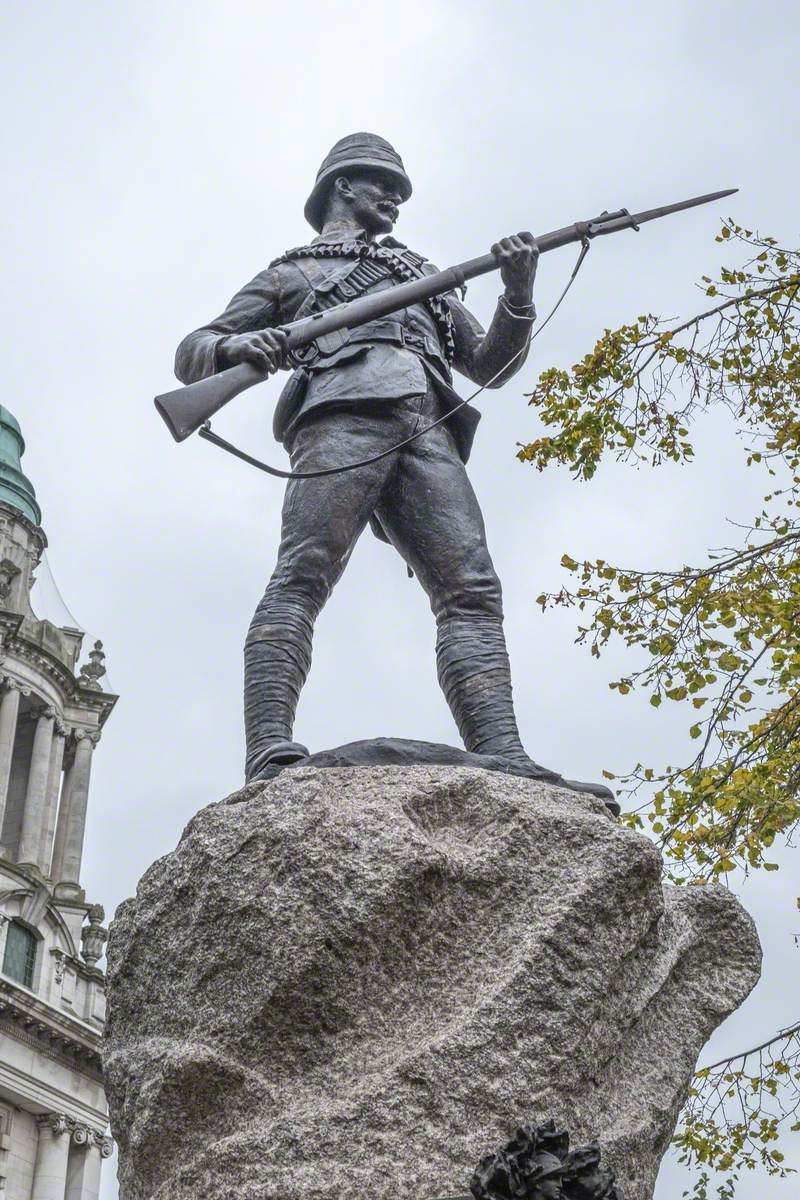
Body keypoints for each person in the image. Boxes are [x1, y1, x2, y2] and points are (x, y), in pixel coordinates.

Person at [175, 132, 611, 803]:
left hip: (429, 426)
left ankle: (503, 752)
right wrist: (239, 345)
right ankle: (268, 747)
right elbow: (194, 351)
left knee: (472, 591)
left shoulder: (421, 275)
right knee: (302, 575)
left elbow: (490, 366)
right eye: (383, 185)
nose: (396, 200)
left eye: (400, 190)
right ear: (342, 186)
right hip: (340, 413)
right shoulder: (291, 273)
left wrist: (517, 292)